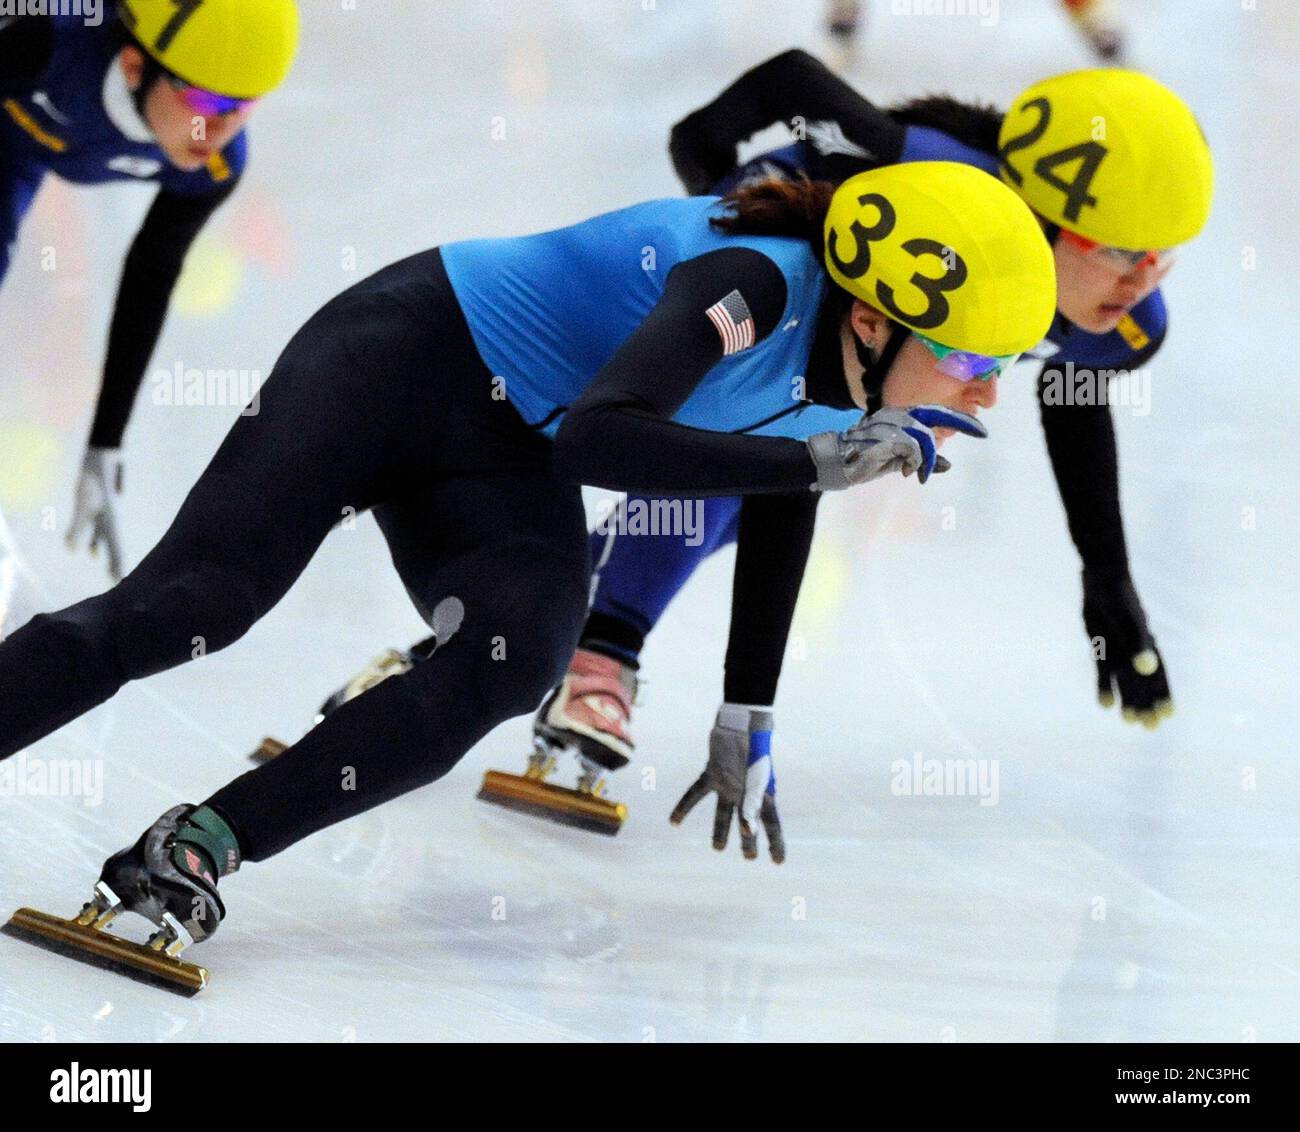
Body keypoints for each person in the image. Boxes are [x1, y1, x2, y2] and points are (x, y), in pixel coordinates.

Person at [0, 161, 1055, 952]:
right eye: (970, 359)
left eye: (1006, 364)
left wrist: (746, 701)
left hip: (503, 447)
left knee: (513, 657)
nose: (986, 390)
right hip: (400, 359)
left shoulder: (853, 366)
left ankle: (204, 844)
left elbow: (774, 484)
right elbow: (604, 435)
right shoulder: (751, 287)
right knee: (194, 604)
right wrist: (817, 463)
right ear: (873, 319)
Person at [520, 58, 1212, 860]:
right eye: (1125, 253)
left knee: (766, 494)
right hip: (746, 286)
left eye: (1163, 258)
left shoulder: (1123, 318)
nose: (1143, 282)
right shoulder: (915, 171)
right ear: (1042, 216)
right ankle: (600, 649)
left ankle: (549, 605)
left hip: (843, 346)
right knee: (749, 455)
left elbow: (1073, 397)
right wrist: (703, 163)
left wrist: (1107, 574)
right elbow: (794, 82)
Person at [0, 0, 299, 581]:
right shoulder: (47, 42)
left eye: (244, 106)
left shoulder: (213, 166)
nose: (220, 130)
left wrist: (104, 441)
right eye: (208, 101)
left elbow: (149, 279)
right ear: (135, 66)